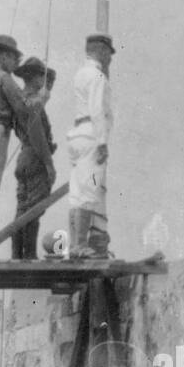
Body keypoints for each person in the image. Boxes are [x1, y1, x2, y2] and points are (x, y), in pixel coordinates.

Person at [0, 34, 55, 259]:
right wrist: (42, 100)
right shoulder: (3, 78)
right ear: (4, 56)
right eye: (13, 57)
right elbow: (24, 110)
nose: (14, 63)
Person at [67, 33, 115, 258]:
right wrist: (103, 141)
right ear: (102, 51)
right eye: (109, 54)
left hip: (77, 134)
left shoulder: (80, 74)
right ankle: (79, 244)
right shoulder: (97, 76)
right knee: (89, 189)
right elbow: (97, 110)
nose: (110, 59)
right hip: (91, 135)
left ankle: (76, 243)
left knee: (77, 190)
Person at [11, 57, 57, 260]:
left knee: (22, 207)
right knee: (35, 208)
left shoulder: (20, 99)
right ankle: (28, 254)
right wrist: (49, 163)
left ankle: (17, 254)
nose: (44, 80)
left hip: (23, 156)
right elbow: (37, 134)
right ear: (34, 76)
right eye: (41, 76)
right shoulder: (34, 102)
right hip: (35, 156)